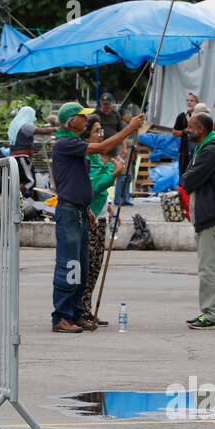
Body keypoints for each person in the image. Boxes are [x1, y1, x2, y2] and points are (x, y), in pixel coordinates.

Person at [50, 101, 142, 334]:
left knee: (81, 265)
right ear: (72, 122)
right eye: (82, 116)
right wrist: (128, 129)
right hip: (70, 212)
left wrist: (88, 210)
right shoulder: (66, 142)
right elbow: (101, 148)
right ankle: (61, 315)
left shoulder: (74, 142)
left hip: (80, 210)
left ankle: (76, 313)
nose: (86, 119)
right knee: (69, 265)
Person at [79, 117, 127, 327]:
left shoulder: (98, 159)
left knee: (96, 265)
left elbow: (101, 191)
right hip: (89, 219)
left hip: (100, 216)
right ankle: (81, 307)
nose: (101, 134)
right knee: (88, 265)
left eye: (101, 130)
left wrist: (108, 204)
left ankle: (86, 307)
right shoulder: (88, 159)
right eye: (97, 131)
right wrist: (112, 173)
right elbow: (92, 186)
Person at [180, 113, 215, 331]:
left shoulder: (212, 149)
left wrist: (188, 177)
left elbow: (188, 179)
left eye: (191, 127)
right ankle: (209, 311)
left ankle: (211, 314)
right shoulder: (204, 147)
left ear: (202, 129)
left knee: (208, 266)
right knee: (208, 264)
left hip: (209, 213)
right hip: (206, 212)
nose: (188, 130)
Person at [173, 92, 199, 174]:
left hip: (198, 150)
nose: (189, 102)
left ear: (196, 102)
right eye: (187, 100)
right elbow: (174, 132)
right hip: (184, 150)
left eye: (191, 100)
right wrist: (185, 131)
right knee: (183, 173)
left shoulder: (201, 116)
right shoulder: (182, 116)